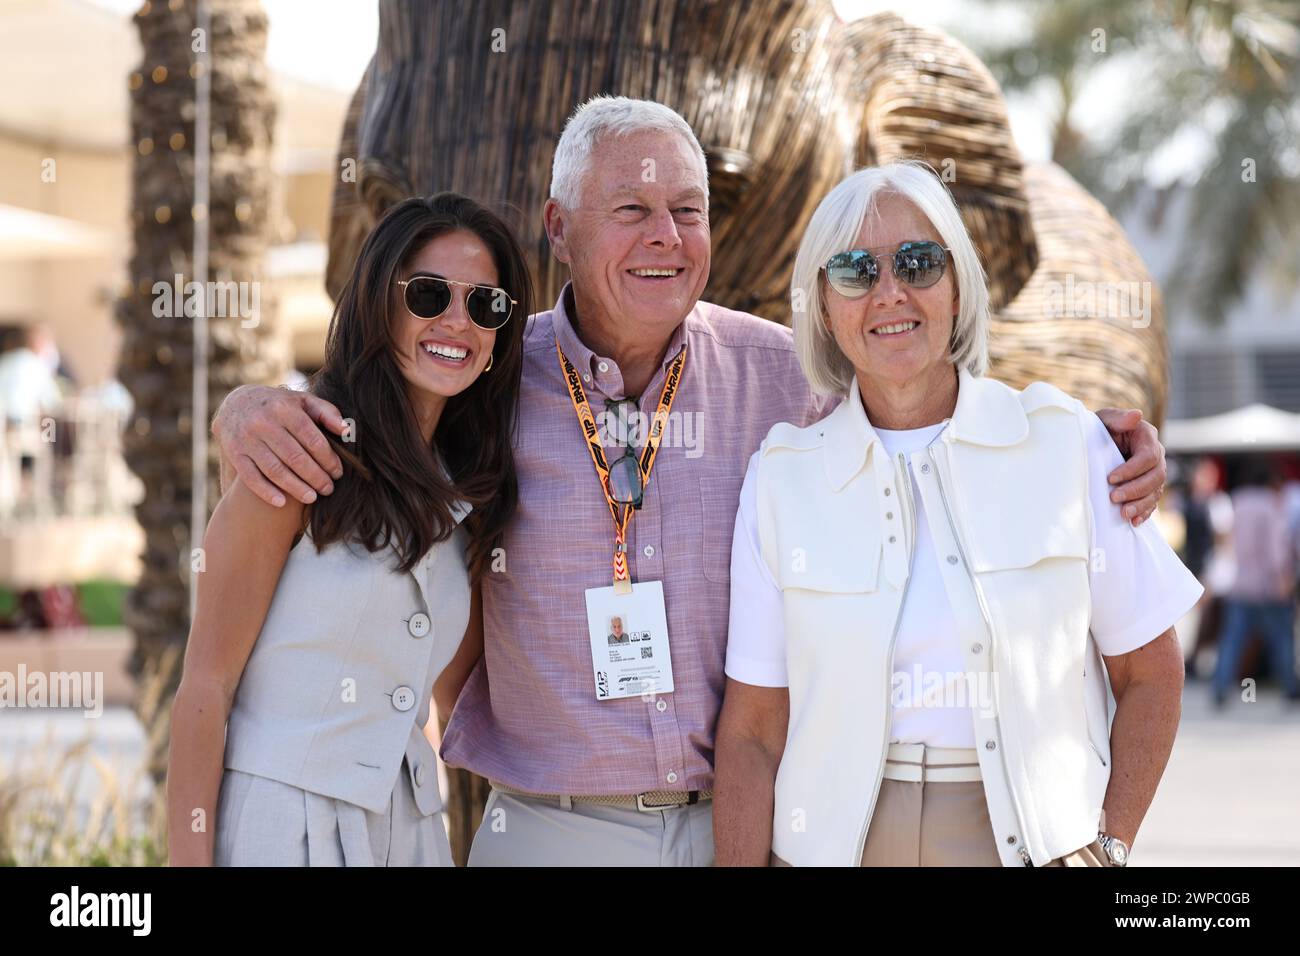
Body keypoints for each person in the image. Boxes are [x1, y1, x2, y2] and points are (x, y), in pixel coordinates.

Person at [208, 98, 1168, 867]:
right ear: (559, 229)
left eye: (689, 211)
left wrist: (1101, 444)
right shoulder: (488, 382)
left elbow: (925, 399)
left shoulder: (790, 378)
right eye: (630, 210)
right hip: (547, 832)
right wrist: (246, 407)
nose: (666, 235)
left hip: (744, 827)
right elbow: (376, 412)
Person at [714, 162, 1202, 867]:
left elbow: (1151, 672)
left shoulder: (1068, 445)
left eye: (917, 263)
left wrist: (1110, 846)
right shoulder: (780, 479)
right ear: (822, 305)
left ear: (956, 286)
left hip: (1035, 848)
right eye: (853, 272)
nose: (889, 293)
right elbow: (754, 732)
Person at [167, 193, 531, 866]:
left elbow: (458, 696)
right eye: (429, 295)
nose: (458, 321)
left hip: (413, 834)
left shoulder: (471, 496)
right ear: (378, 302)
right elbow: (205, 686)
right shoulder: (295, 455)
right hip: (280, 831)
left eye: (486, 305)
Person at [1211, 458, 1298, 707]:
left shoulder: (1238, 501)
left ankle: (1220, 686)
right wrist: (1284, 578)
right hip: (1268, 585)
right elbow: (1275, 549)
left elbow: (1227, 541)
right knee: (1281, 638)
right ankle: (1291, 687)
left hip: (1241, 581)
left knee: (1232, 639)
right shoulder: (1269, 505)